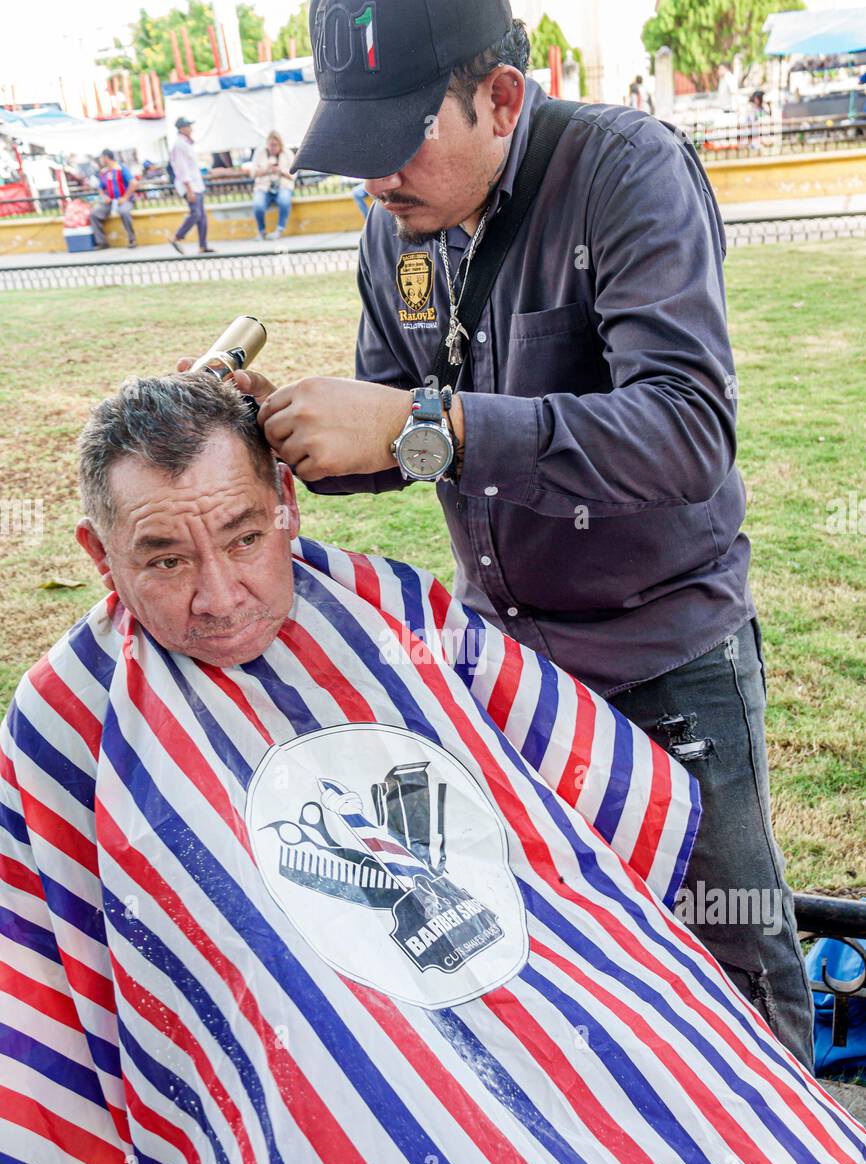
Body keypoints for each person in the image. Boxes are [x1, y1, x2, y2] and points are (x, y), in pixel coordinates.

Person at [2, 369, 865, 1164]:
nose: (220, 596)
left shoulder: (383, 612)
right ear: (98, 554)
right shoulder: (65, 719)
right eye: (164, 559)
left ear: (287, 505)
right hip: (325, 1093)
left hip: (533, 984)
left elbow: (587, 796)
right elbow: (73, 994)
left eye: (247, 537)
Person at [238, 0, 815, 1068]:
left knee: (732, 952)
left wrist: (425, 424)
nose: (373, 184)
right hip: (500, 667)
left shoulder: (625, 172)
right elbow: (406, 431)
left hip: (662, 656)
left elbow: (683, 433)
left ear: (500, 97)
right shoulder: (398, 223)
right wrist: (287, 438)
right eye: (353, 152)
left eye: (395, 142)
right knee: (555, 939)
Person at [169, 116, 214, 255]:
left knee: (202, 216)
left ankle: (203, 245)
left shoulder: (186, 144)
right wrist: (189, 190)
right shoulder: (179, 145)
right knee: (196, 214)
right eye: (188, 126)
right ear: (182, 129)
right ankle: (176, 237)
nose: (191, 129)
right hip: (190, 186)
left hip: (196, 185)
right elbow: (182, 169)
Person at [92, 149, 139, 250]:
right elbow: (100, 188)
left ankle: (132, 239)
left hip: (124, 200)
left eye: (102, 158)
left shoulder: (121, 168)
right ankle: (102, 242)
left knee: (124, 212)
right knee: (94, 214)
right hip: (110, 202)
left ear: (106, 157)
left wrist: (125, 197)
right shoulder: (104, 172)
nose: (101, 160)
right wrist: (104, 196)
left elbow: (134, 183)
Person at [251, 130, 295, 239]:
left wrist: (281, 171)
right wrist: (267, 170)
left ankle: (279, 230)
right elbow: (252, 173)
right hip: (263, 187)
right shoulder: (260, 153)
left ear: (280, 144)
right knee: (258, 205)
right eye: (270, 145)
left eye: (275, 145)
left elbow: (293, 176)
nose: (272, 148)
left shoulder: (288, 154)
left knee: (284, 201)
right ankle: (262, 232)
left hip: (283, 186)